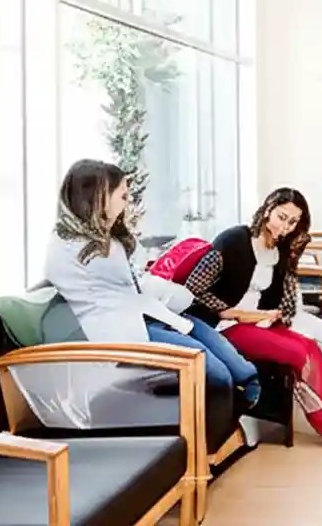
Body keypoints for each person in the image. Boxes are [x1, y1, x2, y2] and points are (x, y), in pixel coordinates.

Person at [41, 159, 261, 405]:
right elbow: (130, 287)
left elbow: (134, 286)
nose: (128, 204)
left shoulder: (102, 242)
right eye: (123, 197)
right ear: (99, 198)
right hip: (122, 332)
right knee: (215, 371)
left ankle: (249, 381)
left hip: (140, 316)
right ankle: (239, 389)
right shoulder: (77, 248)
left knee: (200, 330)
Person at [181, 187, 322, 448]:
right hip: (225, 325)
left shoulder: (280, 250)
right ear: (267, 210)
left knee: (309, 346)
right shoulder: (234, 240)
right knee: (297, 353)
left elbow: (283, 300)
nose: (285, 226)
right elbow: (193, 286)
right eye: (281, 217)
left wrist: (292, 257)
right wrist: (228, 311)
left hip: (259, 320)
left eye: (292, 222)